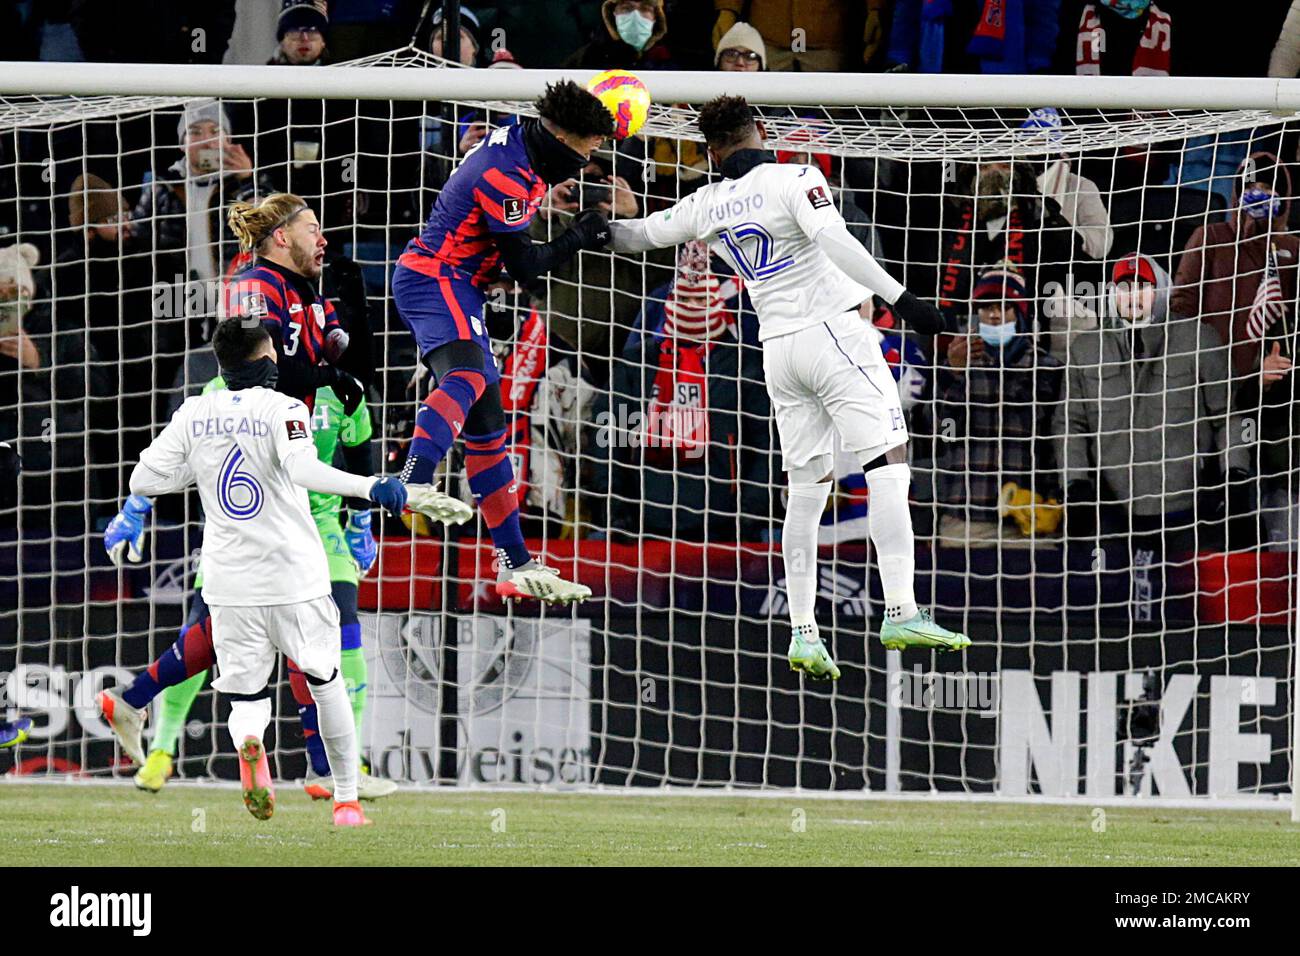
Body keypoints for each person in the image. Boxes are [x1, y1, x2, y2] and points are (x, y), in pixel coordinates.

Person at [604, 95, 970, 678]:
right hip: (834, 333)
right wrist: (905, 301)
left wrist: (587, 226)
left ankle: (803, 631)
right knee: (888, 463)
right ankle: (900, 608)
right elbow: (835, 241)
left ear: (711, 149)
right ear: (763, 131)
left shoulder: (705, 202)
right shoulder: (796, 177)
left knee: (806, 489)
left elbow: (634, 237)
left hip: (778, 351)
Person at [101, 317, 409, 826]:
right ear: (267, 361)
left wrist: (171, 486)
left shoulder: (195, 411)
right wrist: (370, 487)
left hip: (228, 583)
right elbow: (303, 470)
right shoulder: (284, 407)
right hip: (293, 577)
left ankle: (247, 744)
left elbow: (144, 475)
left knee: (245, 692)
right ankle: (347, 800)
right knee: (325, 679)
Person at [391, 80, 615, 604]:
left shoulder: (522, 146)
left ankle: (515, 565)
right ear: (562, 136)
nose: (585, 164)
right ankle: (414, 477)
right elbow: (528, 269)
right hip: (435, 278)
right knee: (467, 377)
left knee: (490, 428)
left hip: (461, 286)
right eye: (586, 151)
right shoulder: (506, 174)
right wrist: (583, 234)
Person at [936, 263, 1063, 546]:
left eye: (1003, 306)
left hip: (1029, 520)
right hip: (967, 520)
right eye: (985, 307)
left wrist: (1055, 501)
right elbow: (945, 436)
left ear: (1019, 313)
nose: (993, 315)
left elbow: (1057, 443)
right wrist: (955, 376)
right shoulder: (958, 365)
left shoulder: (1047, 368)